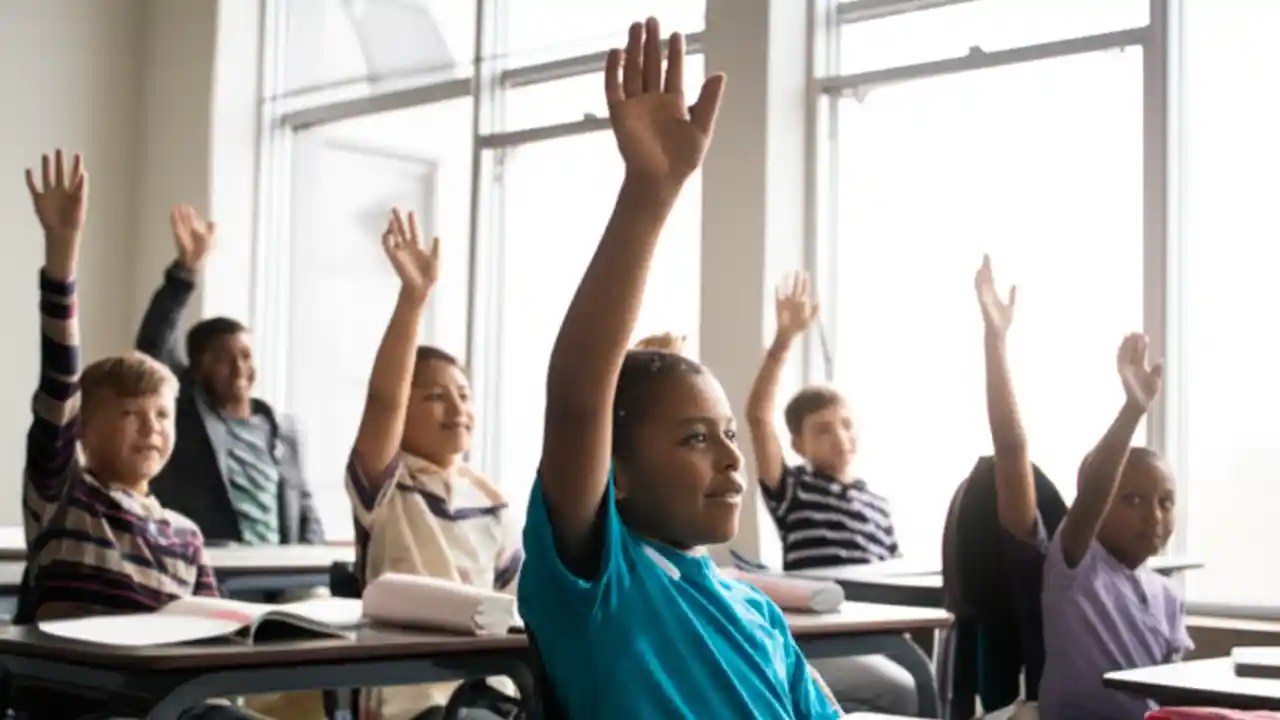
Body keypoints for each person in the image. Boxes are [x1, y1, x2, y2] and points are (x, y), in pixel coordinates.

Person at [516, 18, 840, 719]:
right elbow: (576, 400)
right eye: (695, 438)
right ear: (616, 473)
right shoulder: (602, 587)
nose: (729, 458)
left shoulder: (754, 611)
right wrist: (651, 191)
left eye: (726, 434)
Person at [17, 149, 262, 720]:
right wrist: (63, 250)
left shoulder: (184, 534)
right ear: (82, 426)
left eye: (160, 415)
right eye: (129, 413)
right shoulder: (65, 499)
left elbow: (218, 632)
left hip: (169, 703)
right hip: (85, 704)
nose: (150, 426)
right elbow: (59, 376)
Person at [346, 209, 521, 720]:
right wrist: (412, 300)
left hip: (490, 690)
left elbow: (518, 610)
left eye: (463, 395)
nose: (457, 408)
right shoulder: (387, 485)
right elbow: (382, 400)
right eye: (434, 397)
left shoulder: (490, 502)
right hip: (409, 696)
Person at [744, 271, 915, 714]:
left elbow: (895, 581)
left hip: (876, 628)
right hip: (827, 637)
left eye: (846, 424)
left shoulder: (877, 505)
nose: (839, 436)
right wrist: (785, 338)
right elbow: (759, 418)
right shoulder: (794, 490)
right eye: (822, 429)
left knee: (921, 671)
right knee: (906, 686)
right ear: (798, 444)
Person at [135, 205, 323, 546]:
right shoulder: (187, 417)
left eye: (246, 355)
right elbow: (154, 345)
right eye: (223, 358)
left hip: (281, 579)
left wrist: (318, 572)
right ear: (196, 367)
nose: (239, 367)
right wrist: (185, 272)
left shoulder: (282, 431)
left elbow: (304, 506)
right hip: (214, 575)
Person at [1039, 333, 1192, 720]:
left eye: (1165, 502)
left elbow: (1174, 695)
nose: (1154, 516)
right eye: (1133, 500)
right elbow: (1092, 496)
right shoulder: (1075, 567)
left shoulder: (1168, 596)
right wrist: (1133, 410)